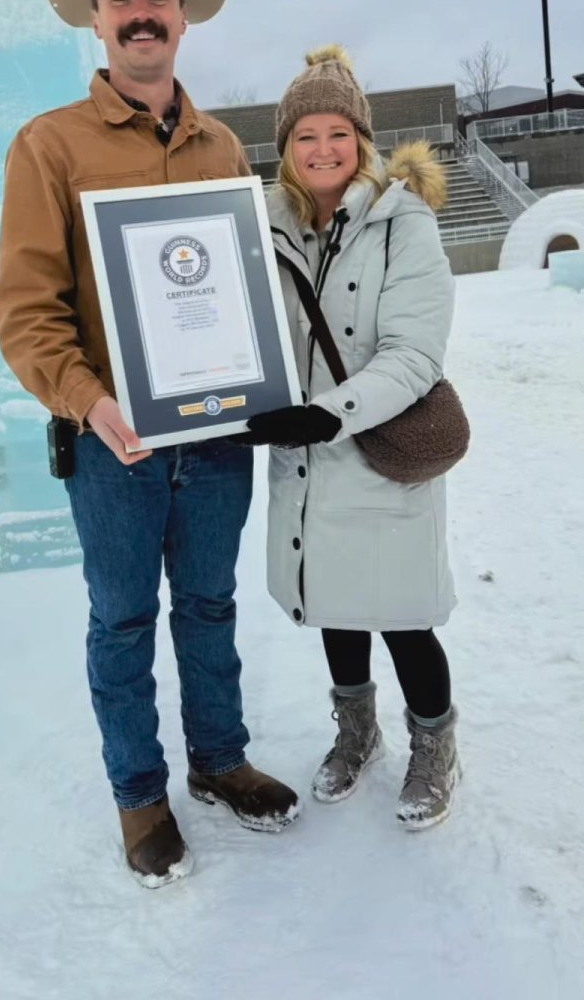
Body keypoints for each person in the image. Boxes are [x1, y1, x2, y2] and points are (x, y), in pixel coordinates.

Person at [0, 0, 299, 889]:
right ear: (96, 17)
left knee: (207, 607)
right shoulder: (48, 147)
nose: (140, 10)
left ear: (181, 18)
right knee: (122, 621)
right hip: (110, 444)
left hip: (217, 440)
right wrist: (87, 400)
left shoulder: (219, 148)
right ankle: (140, 795)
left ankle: (219, 761)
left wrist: (263, 381)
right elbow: (27, 311)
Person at [243, 45, 461, 829]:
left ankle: (434, 747)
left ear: (360, 141)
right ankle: (355, 729)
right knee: (334, 606)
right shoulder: (262, 225)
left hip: (376, 449)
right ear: (286, 148)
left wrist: (327, 414)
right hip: (304, 460)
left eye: (337, 132)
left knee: (402, 615)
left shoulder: (405, 223)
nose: (323, 149)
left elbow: (413, 355)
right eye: (306, 136)